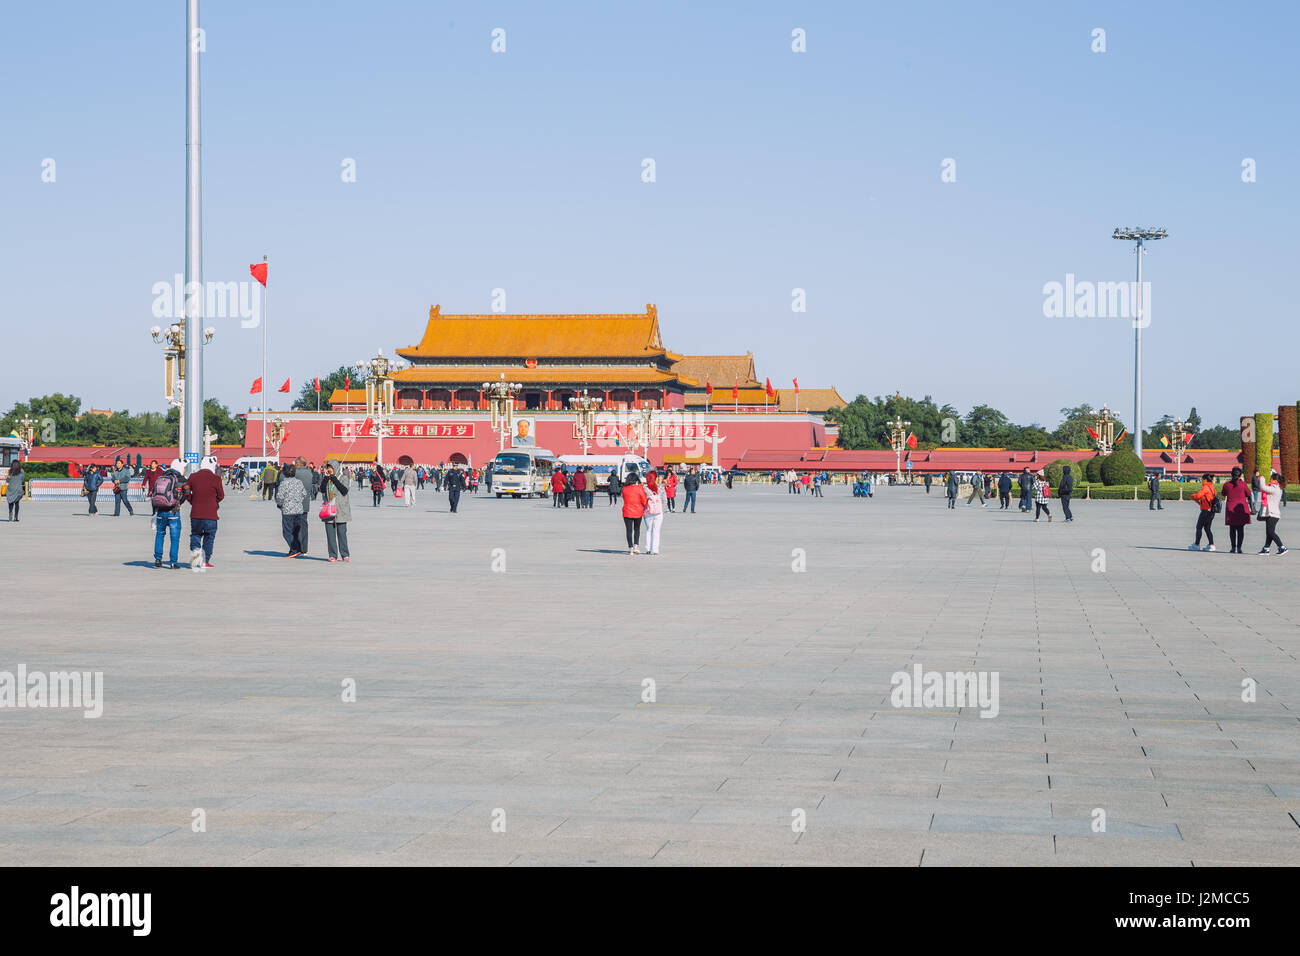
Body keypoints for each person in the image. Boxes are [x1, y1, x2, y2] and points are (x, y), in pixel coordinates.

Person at [184, 455, 225, 569]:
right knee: (209, 537)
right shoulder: (216, 478)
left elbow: (186, 492)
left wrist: (193, 501)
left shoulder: (193, 477)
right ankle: (205, 561)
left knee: (196, 536)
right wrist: (213, 502)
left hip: (196, 513)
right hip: (211, 514)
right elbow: (221, 496)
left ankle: (196, 558)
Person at [151, 459, 187, 568]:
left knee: (160, 535)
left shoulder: (162, 477)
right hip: (173, 512)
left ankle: (158, 559)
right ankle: (173, 562)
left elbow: (155, 493)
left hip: (161, 511)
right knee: (174, 538)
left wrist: (154, 513)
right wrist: (179, 502)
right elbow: (187, 493)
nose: (185, 470)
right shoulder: (182, 479)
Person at [319, 458, 352, 562]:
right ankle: (332, 554)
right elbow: (322, 490)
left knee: (342, 533)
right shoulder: (326, 478)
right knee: (330, 534)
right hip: (328, 509)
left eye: (331, 468)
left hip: (341, 509)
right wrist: (326, 478)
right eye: (328, 468)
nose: (329, 470)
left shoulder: (343, 478)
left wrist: (334, 479)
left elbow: (344, 490)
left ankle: (345, 554)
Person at [275, 462, 309, 557]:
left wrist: (279, 504)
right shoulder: (299, 482)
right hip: (298, 510)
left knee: (287, 532)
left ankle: (295, 549)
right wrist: (297, 501)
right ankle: (294, 549)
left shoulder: (284, 483)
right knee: (295, 532)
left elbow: (280, 497)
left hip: (288, 511)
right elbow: (304, 494)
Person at [1221, 467, 1252, 554]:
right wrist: (1252, 508)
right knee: (1240, 530)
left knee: (1232, 529)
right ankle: (1239, 548)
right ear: (1240, 475)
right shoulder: (1243, 484)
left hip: (1231, 509)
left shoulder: (1227, 484)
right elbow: (1249, 495)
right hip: (1241, 509)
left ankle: (1233, 547)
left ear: (1231, 474)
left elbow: (1223, 493)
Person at [1258, 471, 1287, 556]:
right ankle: (1266, 548)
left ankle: (1282, 547)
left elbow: (1263, 487)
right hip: (1271, 513)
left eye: (1271, 479)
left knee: (1270, 532)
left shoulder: (1275, 488)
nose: (1270, 480)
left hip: (1273, 514)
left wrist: (1262, 478)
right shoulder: (1276, 487)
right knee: (1269, 532)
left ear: (1275, 480)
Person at [621, 466, 648, 554]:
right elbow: (644, 500)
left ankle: (630, 548)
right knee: (637, 529)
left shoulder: (624, 489)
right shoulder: (639, 488)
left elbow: (624, 498)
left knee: (629, 530)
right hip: (638, 511)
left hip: (627, 511)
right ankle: (636, 546)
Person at [1189, 472, 1217, 551]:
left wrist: (1192, 496)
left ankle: (1196, 545)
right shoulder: (1212, 487)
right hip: (1211, 510)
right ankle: (1211, 545)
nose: (1202, 481)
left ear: (1205, 480)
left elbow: (1198, 496)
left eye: (1202, 480)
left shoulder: (1205, 487)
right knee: (1207, 528)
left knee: (1199, 527)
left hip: (1205, 510)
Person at [643, 470, 666, 554]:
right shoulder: (661, 487)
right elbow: (664, 500)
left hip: (648, 512)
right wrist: (660, 508)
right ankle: (655, 549)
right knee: (656, 531)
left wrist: (645, 508)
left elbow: (643, 500)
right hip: (658, 512)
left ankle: (648, 549)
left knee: (649, 530)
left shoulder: (644, 488)